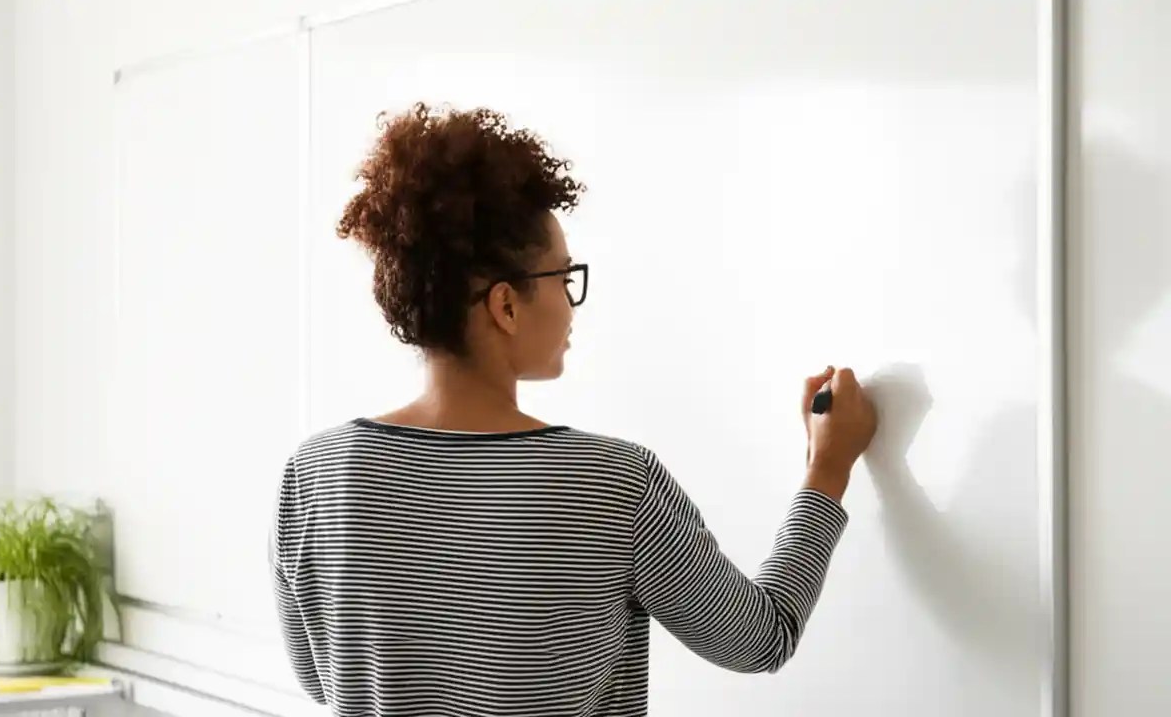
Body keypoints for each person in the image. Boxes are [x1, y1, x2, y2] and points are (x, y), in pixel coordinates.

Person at [269, 103, 878, 716]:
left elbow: (324, 679)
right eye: (564, 277)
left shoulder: (316, 473)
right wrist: (827, 469)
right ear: (506, 306)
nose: (571, 302)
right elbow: (759, 638)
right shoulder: (611, 484)